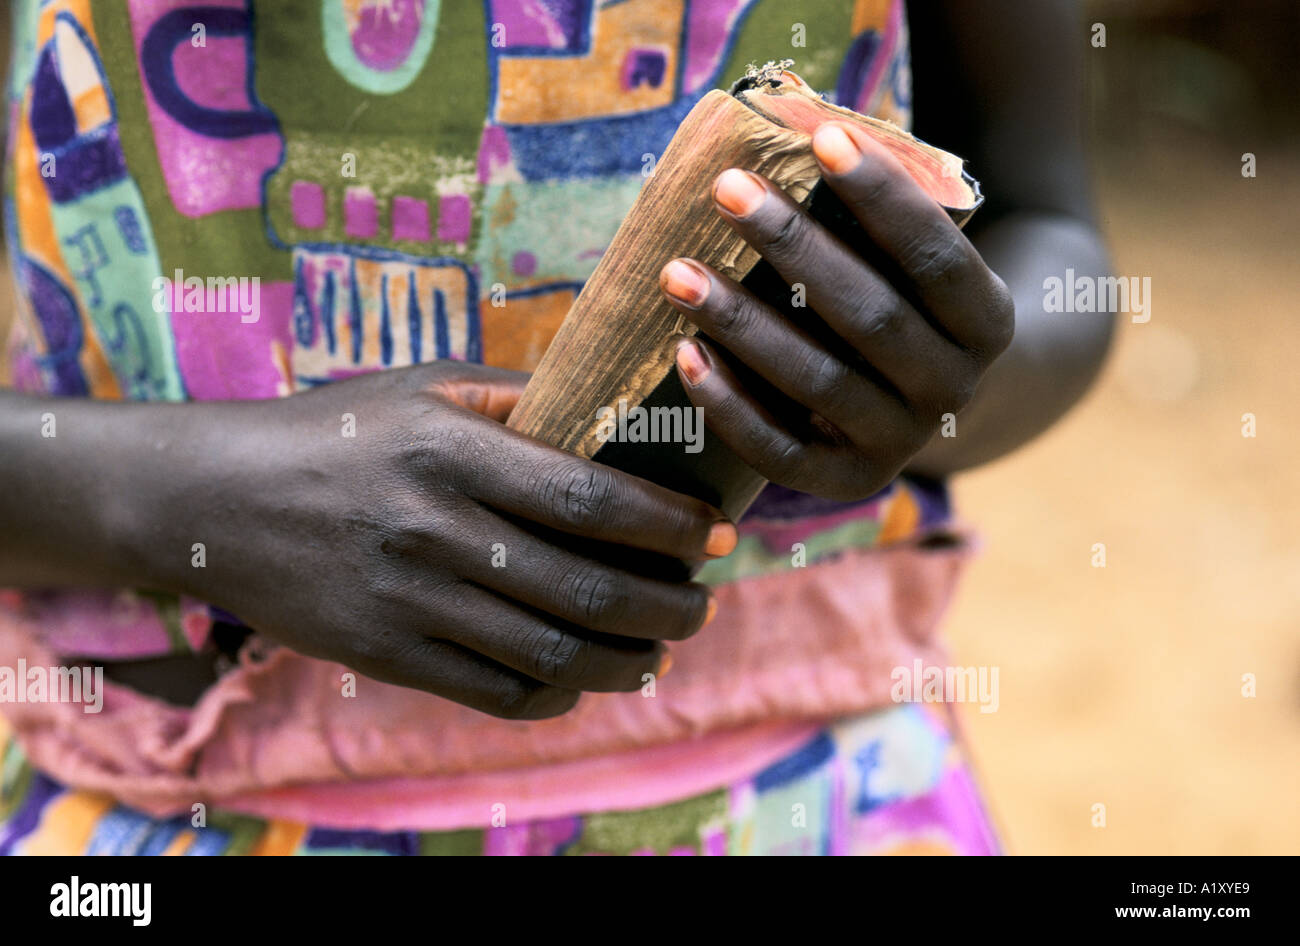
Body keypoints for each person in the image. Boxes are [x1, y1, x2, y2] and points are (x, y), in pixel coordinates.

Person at [0, 0, 1110, 855]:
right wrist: (176, 499)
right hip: (163, 801)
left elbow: (1050, 231)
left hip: (818, 793)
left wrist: (927, 385)